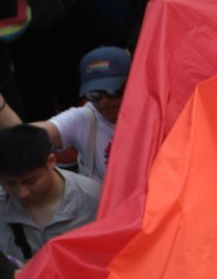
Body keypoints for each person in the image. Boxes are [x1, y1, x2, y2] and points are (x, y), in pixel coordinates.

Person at [0, 46, 127, 186]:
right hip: (108, 205)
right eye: (94, 94)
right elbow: (22, 140)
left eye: (113, 91)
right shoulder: (85, 118)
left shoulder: (153, 116)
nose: (104, 101)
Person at [0, 123, 99, 269]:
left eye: (30, 181)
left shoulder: (95, 199)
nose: (22, 193)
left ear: (51, 161)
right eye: (10, 184)